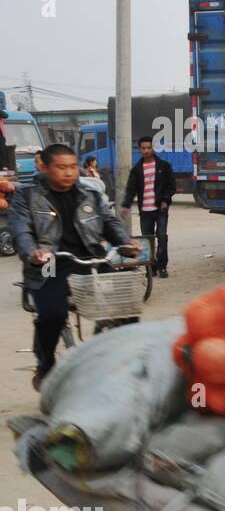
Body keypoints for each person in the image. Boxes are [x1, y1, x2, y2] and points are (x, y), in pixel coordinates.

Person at [9, 145, 138, 389]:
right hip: (50, 264)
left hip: (90, 259)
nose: (68, 173)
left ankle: (127, 359)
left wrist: (125, 242)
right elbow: (21, 231)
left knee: (126, 301)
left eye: (72, 167)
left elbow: (109, 222)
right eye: (61, 167)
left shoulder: (89, 193)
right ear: (44, 168)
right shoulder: (26, 196)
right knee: (53, 314)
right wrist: (33, 252)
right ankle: (45, 363)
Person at [122, 136, 175, 278]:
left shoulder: (164, 166)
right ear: (139, 149)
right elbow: (130, 189)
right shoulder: (136, 170)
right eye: (143, 148)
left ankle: (162, 267)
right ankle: (152, 267)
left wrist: (165, 200)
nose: (146, 151)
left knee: (162, 237)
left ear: (153, 148)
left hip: (160, 210)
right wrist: (126, 205)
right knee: (147, 241)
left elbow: (171, 186)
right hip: (145, 211)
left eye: (149, 148)